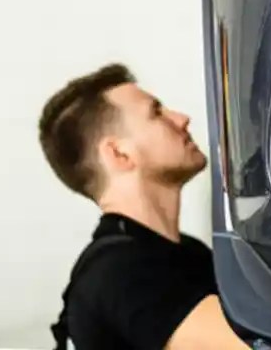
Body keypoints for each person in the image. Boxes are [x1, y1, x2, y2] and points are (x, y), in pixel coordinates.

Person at [38, 63, 252, 350]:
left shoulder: (188, 254)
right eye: (157, 112)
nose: (182, 119)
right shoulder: (120, 272)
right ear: (119, 153)